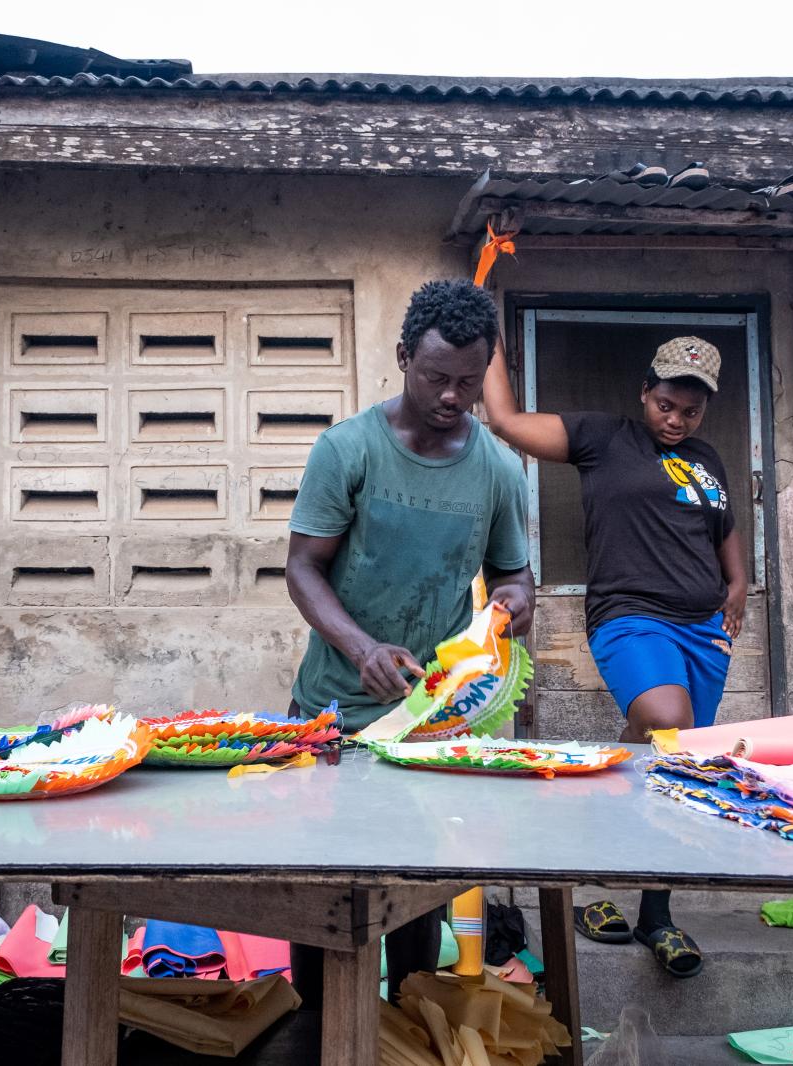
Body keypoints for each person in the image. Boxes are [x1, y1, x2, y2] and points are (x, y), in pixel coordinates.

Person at [283, 278, 535, 1002]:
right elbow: (303, 568)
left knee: (415, 887)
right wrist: (361, 648)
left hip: (432, 721)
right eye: (436, 378)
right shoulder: (347, 450)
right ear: (402, 358)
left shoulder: (495, 468)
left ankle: (404, 1027)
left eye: (468, 381)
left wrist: (515, 602)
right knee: (323, 893)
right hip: (332, 715)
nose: (453, 396)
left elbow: (514, 575)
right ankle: (316, 1030)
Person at [481, 334, 747, 979]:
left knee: (677, 765)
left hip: (702, 629)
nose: (675, 420)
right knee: (667, 718)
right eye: (665, 405)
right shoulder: (605, 438)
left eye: (689, 411)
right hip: (629, 616)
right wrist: (487, 341)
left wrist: (737, 585)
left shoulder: (707, 460)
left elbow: (726, 527)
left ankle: (655, 911)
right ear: (644, 393)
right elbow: (507, 421)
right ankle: (592, 881)